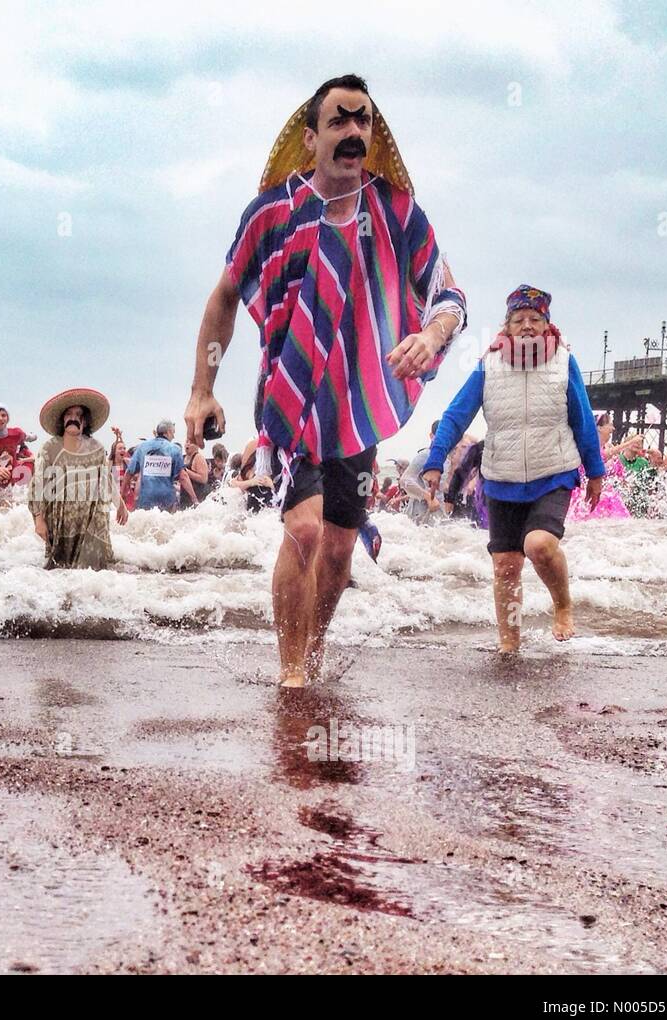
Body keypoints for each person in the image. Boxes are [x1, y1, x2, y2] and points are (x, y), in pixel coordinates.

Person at [185, 73, 466, 686]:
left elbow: (448, 293)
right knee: (306, 530)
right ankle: (291, 673)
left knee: (339, 547)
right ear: (311, 137)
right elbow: (226, 295)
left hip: (359, 406)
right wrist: (202, 388)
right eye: (339, 121)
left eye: (363, 120)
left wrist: (432, 335)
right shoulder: (272, 212)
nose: (353, 132)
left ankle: (312, 653)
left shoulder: (396, 212)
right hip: (291, 398)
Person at [422, 285, 601, 651]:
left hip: (554, 471)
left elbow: (582, 419)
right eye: (519, 320)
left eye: (535, 319)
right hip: (501, 478)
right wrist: (435, 460)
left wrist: (595, 472)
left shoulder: (564, 362)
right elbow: (456, 416)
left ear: (547, 324)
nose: (527, 326)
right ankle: (509, 644)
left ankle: (563, 604)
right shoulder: (489, 365)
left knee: (539, 545)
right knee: (505, 565)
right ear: (507, 326)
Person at [29, 389, 128, 570]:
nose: (73, 418)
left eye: (78, 414)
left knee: (96, 571)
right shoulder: (50, 447)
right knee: (59, 571)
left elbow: (106, 480)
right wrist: (38, 519)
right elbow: (37, 483)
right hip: (61, 522)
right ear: (62, 419)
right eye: (69, 414)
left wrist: (120, 504)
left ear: (84, 421)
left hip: (92, 520)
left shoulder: (96, 448)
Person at [124, 419, 187, 511]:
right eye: (173, 432)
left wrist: (122, 495)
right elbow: (183, 477)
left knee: (145, 524)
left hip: (145, 498)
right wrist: (194, 498)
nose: (173, 436)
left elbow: (129, 473)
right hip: (166, 498)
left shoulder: (142, 447)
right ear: (168, 432)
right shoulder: (174, 449)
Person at [0, 404, 35, 501]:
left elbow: (29, 437)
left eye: (3, 415)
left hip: (11, 486)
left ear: (7, 418)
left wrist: (33, 436)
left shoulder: (17, 433)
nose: (0, 418)